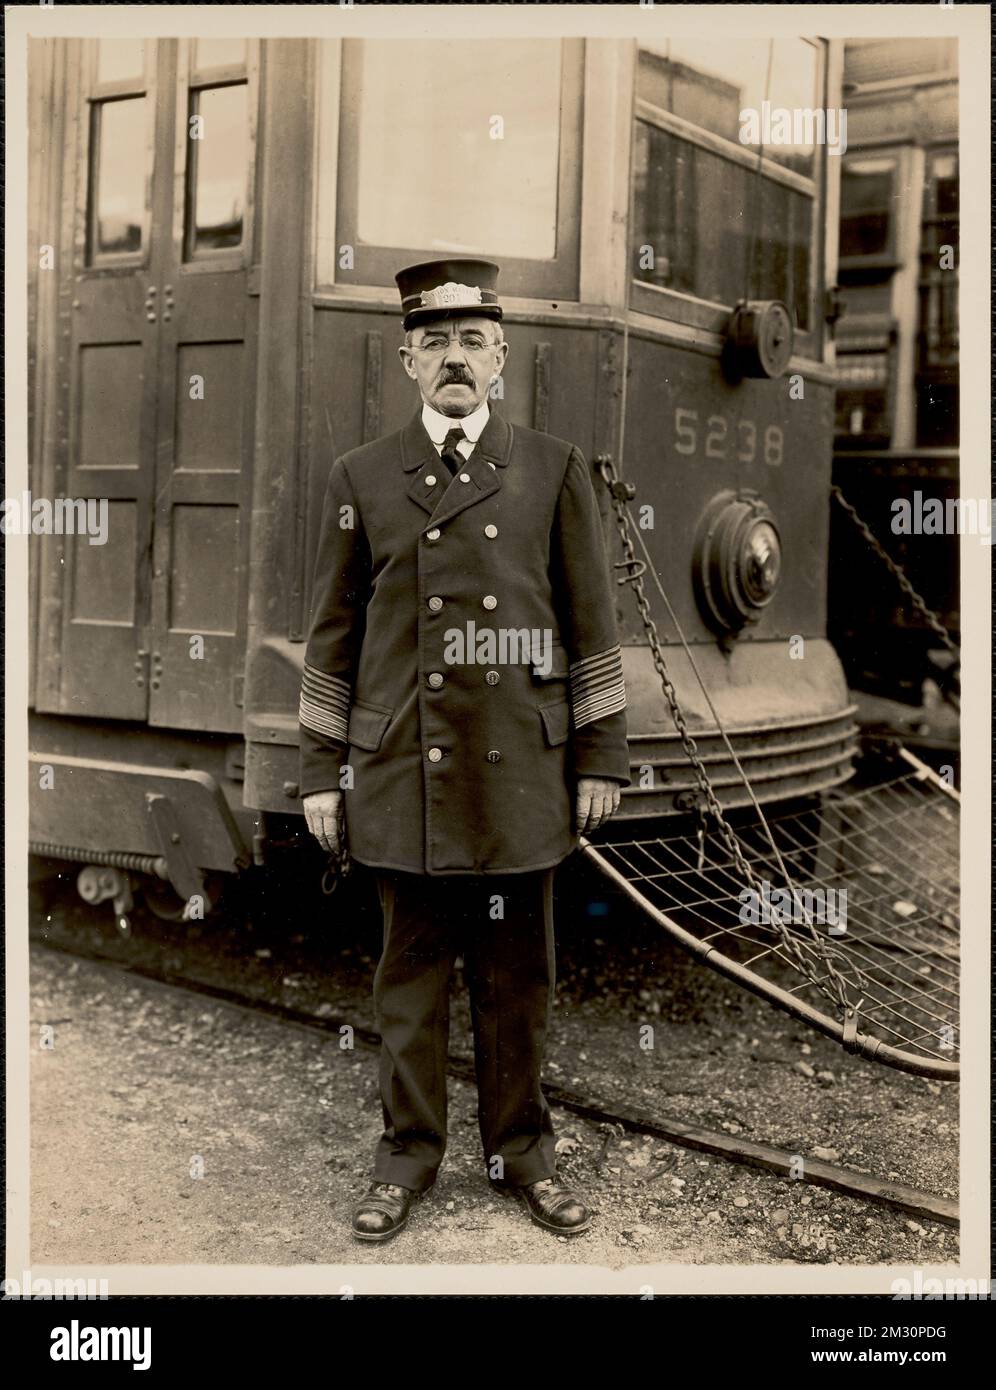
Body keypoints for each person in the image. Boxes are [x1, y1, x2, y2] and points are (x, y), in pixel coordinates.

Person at [299, 257, 630, 1241]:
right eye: (435, 342)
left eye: (472, 341)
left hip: (519, 771)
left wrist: (600, 757)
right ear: (407, 360)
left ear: (502, 357)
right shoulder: (362, 474)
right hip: (405, 765)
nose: (454, 358)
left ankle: (521, 1154)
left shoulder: (556, 468)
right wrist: (323, 771)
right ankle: (405, 1158)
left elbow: (591, 627)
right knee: (408, 981)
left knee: (517, 981)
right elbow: (333, 635)